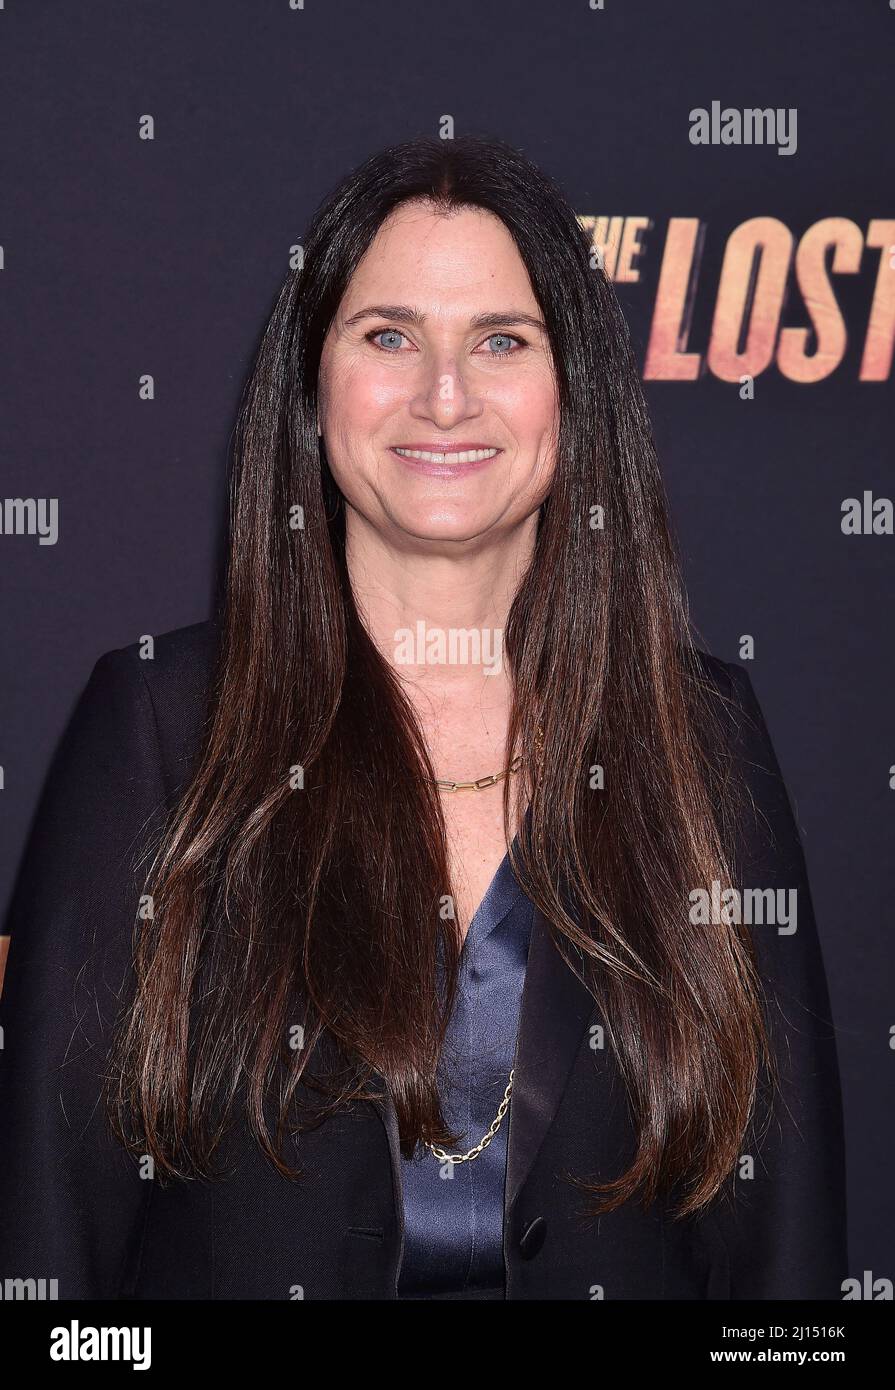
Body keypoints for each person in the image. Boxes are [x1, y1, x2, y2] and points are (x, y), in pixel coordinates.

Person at [0, 134, 846, 1300]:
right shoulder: (159, 725)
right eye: (388, 336)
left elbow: (782, 1249)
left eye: (501, 341)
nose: (443, 393)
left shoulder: (701, 732)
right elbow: (50, 1234)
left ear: (575, 392)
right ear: (311, 384)